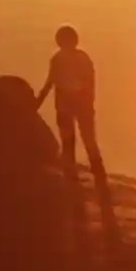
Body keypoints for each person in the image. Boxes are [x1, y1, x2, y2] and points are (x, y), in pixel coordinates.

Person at [35, 25, 104, 178]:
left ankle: (83, 173)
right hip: (72, 105)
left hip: (71, 104)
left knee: (80, 140)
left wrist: (38, 102)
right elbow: (52, 82)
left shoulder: (62, 59)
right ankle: (91, 174)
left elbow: (50, 83)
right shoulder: (73, 58)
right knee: (80, 140)